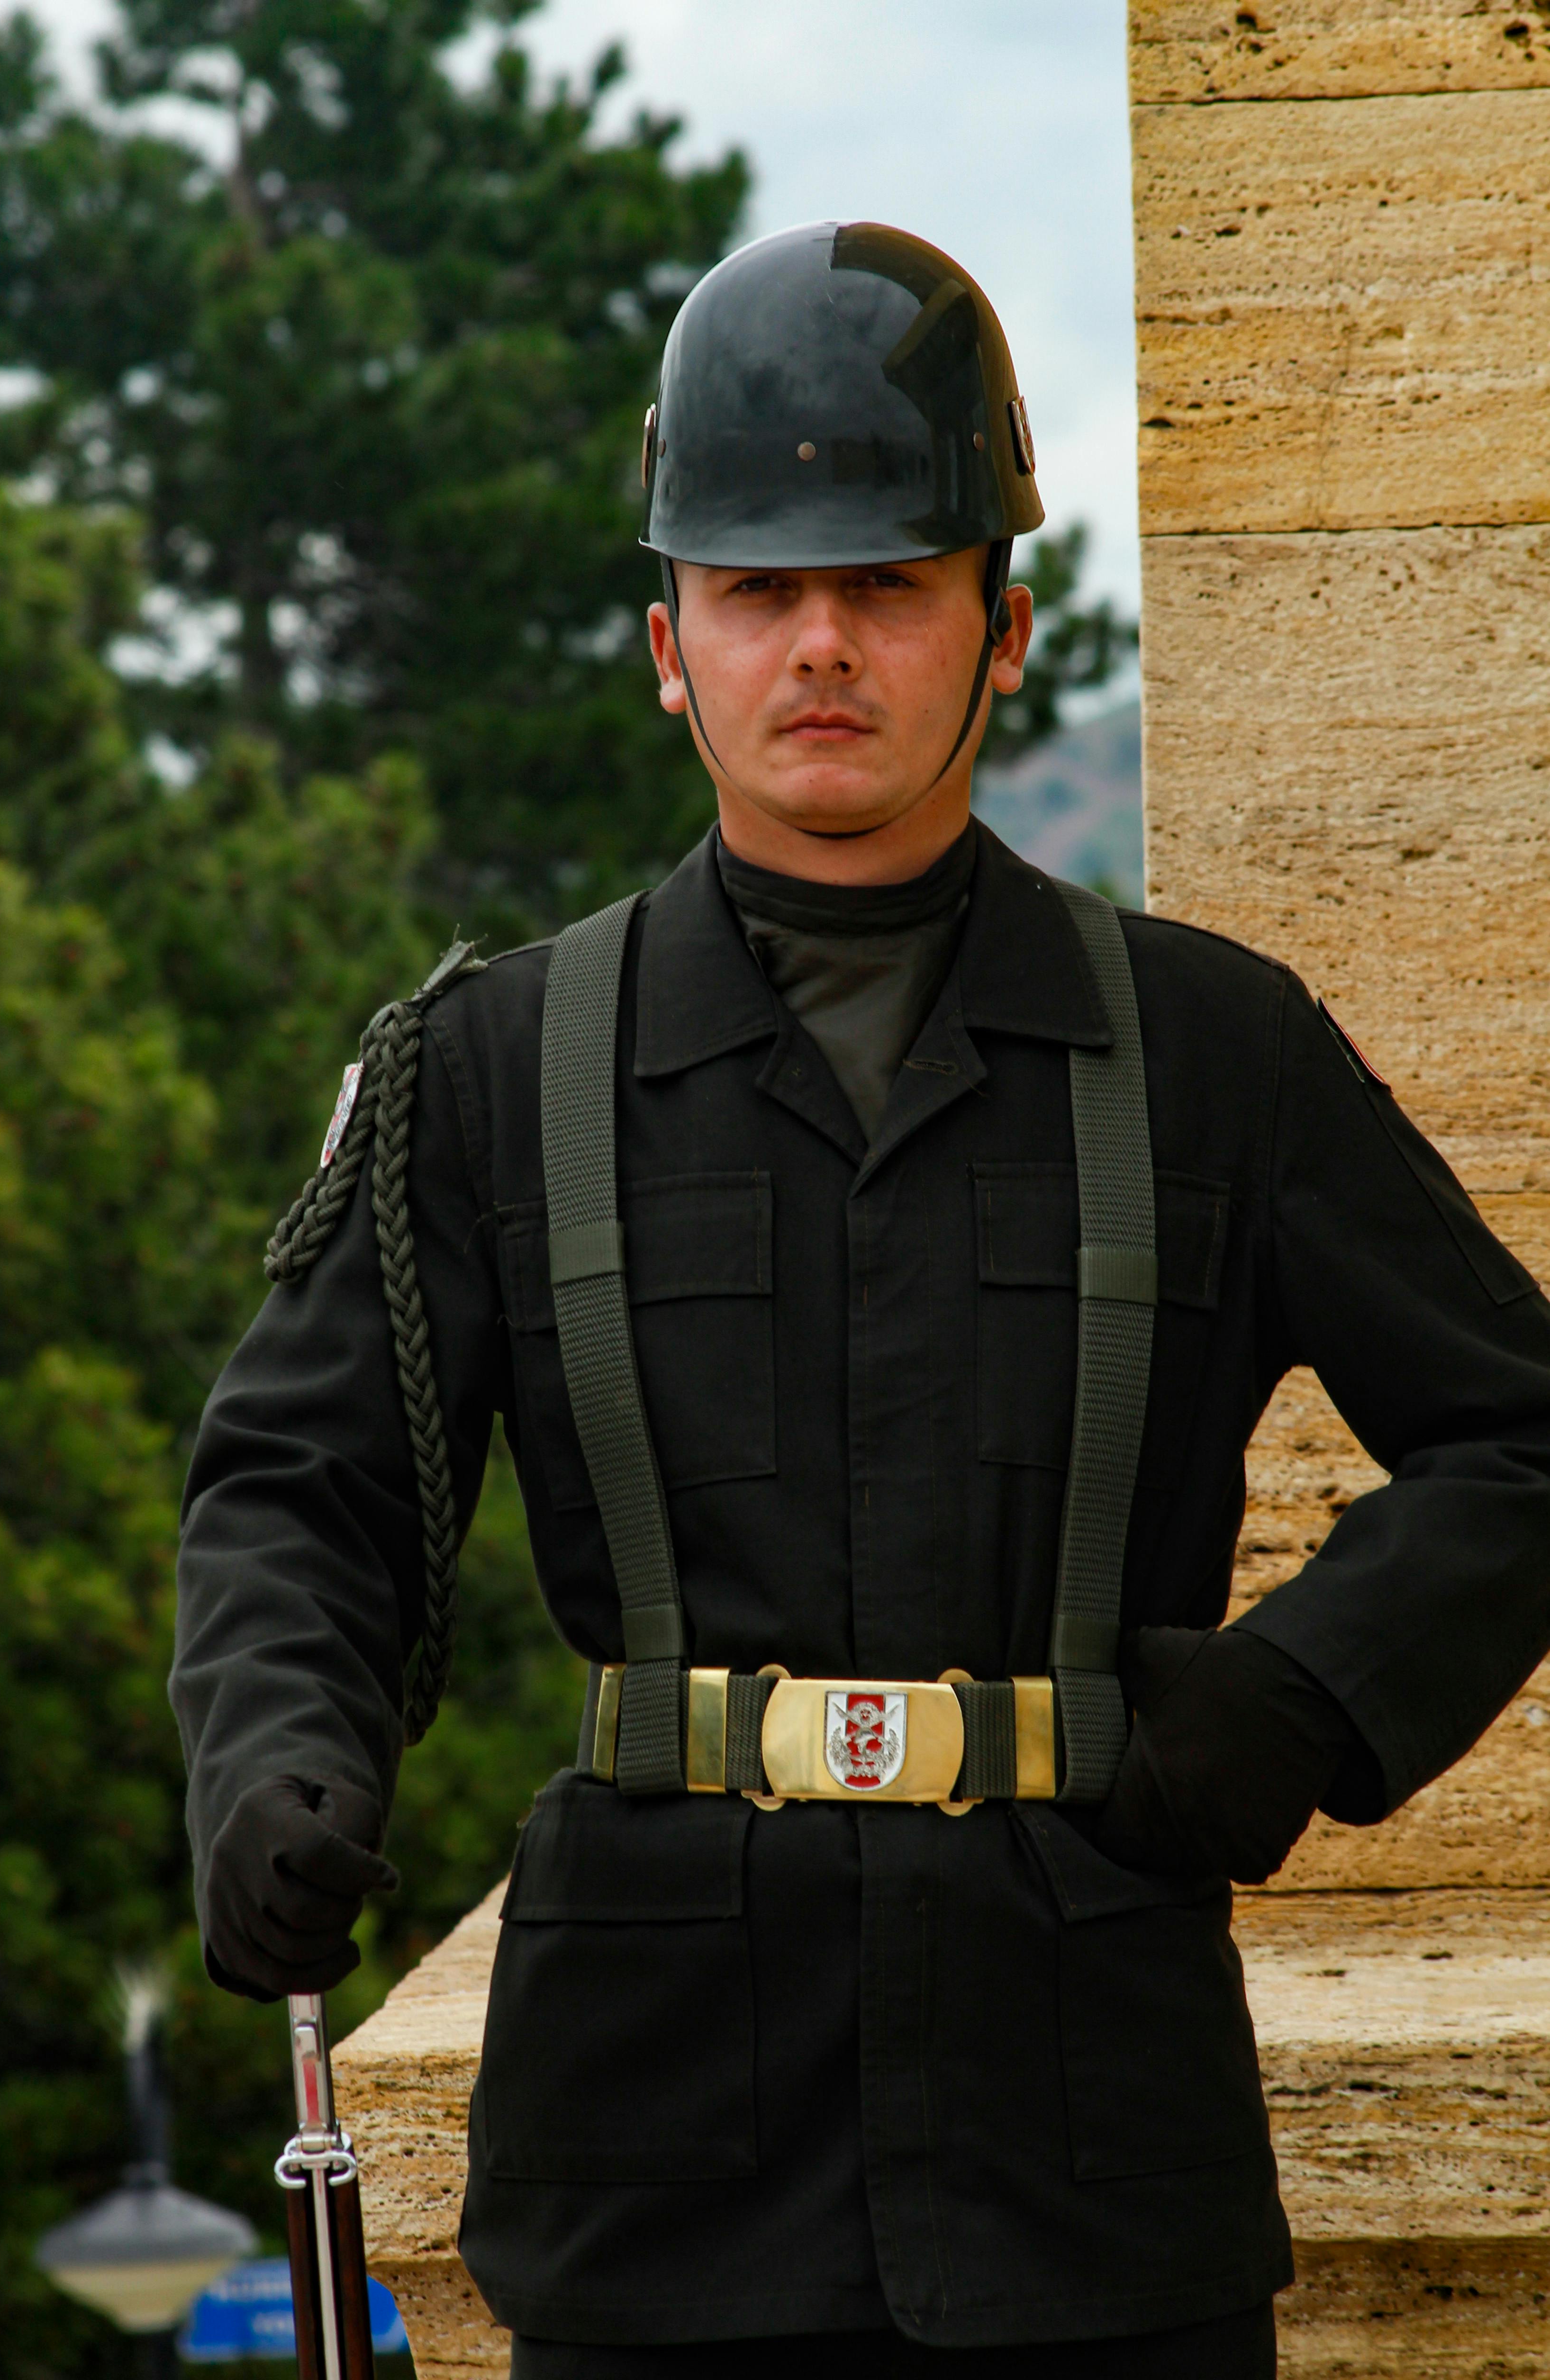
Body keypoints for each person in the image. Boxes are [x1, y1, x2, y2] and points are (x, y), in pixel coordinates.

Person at [171, 223, 1550, 2380]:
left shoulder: (1219, 1053)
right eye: (756, 591)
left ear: (1000, 631)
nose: (820, 644)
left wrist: (1299, 1698)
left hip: (1093, 2161)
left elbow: (1521, 1433)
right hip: (655, 2183)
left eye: (888, 586)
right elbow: (295, 1494)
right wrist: (270, 1759)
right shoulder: (488, 1069)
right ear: (667, 642)